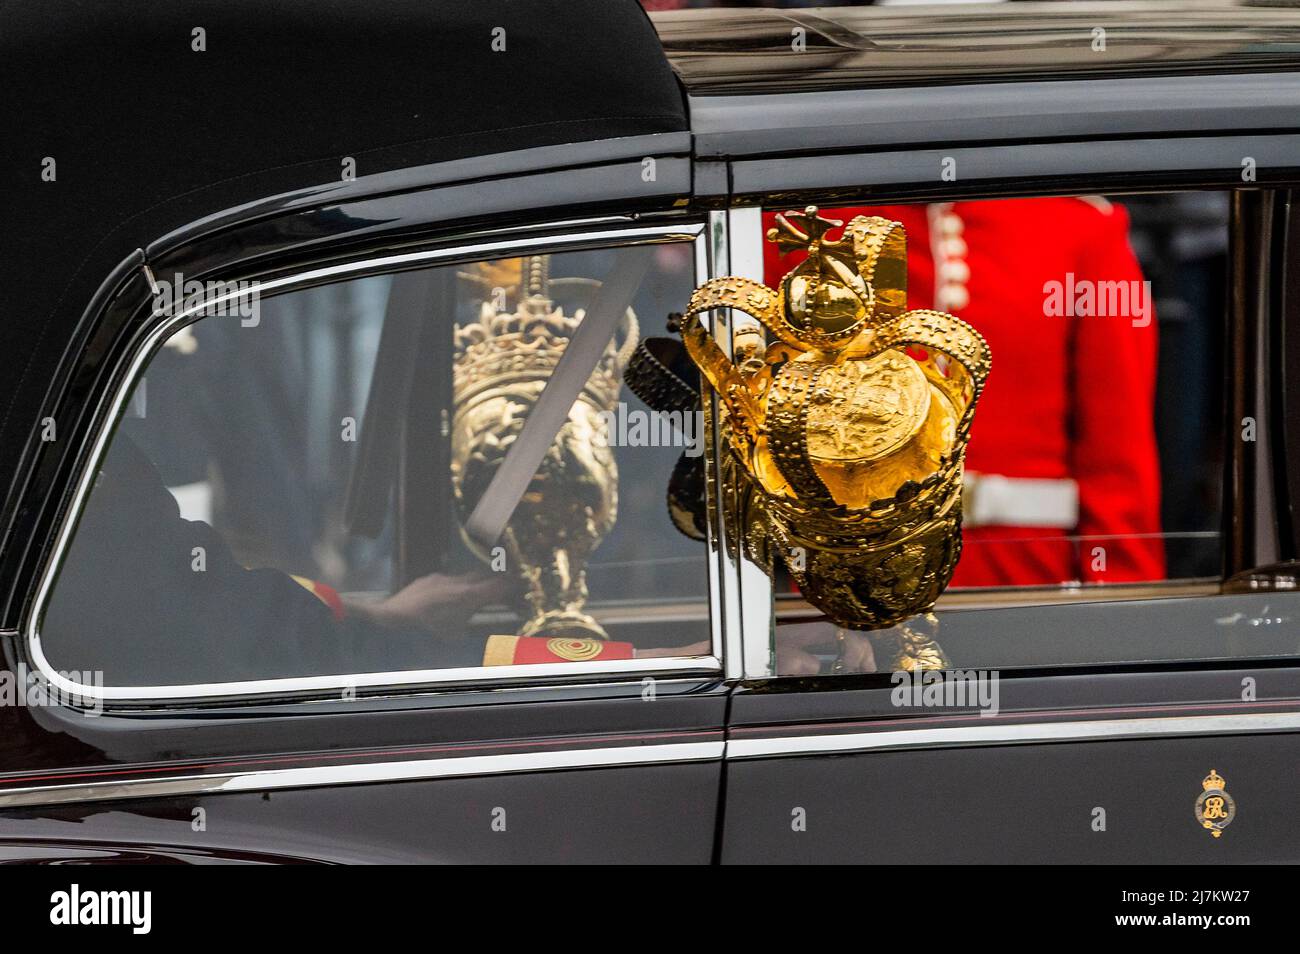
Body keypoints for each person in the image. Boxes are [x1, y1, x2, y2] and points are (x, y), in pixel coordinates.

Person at [764, 198, 1165, 587]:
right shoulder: (811, 225)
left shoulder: (1083, 227)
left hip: (1025, 571)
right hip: (853, 573)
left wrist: (1118, 595)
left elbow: (1119, 448)